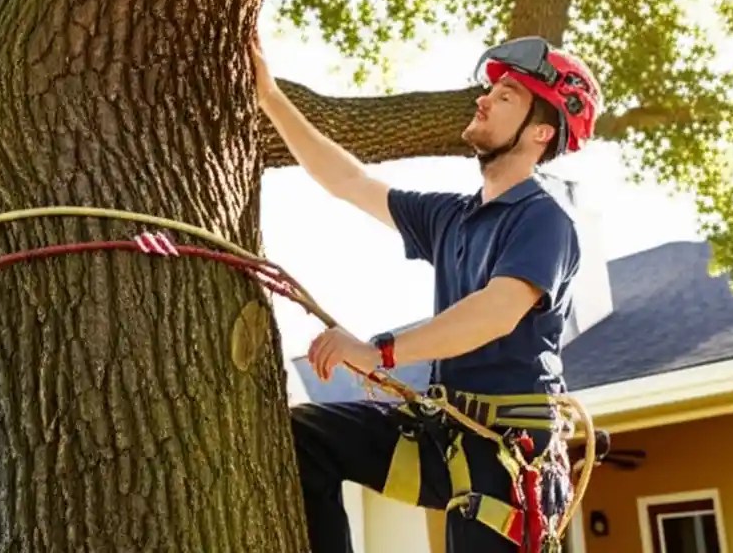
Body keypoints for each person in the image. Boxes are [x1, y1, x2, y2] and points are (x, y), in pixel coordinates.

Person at [252, 32, 603, 552]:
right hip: (444, 434)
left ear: (540, 133)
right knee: (309, 439)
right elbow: (350, 181)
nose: (483, 98)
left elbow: (497, 312)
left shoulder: (544, 221)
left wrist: (379, 351)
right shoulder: (451, 217)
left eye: (506, 97)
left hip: (507, 458)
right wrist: (270, 97)